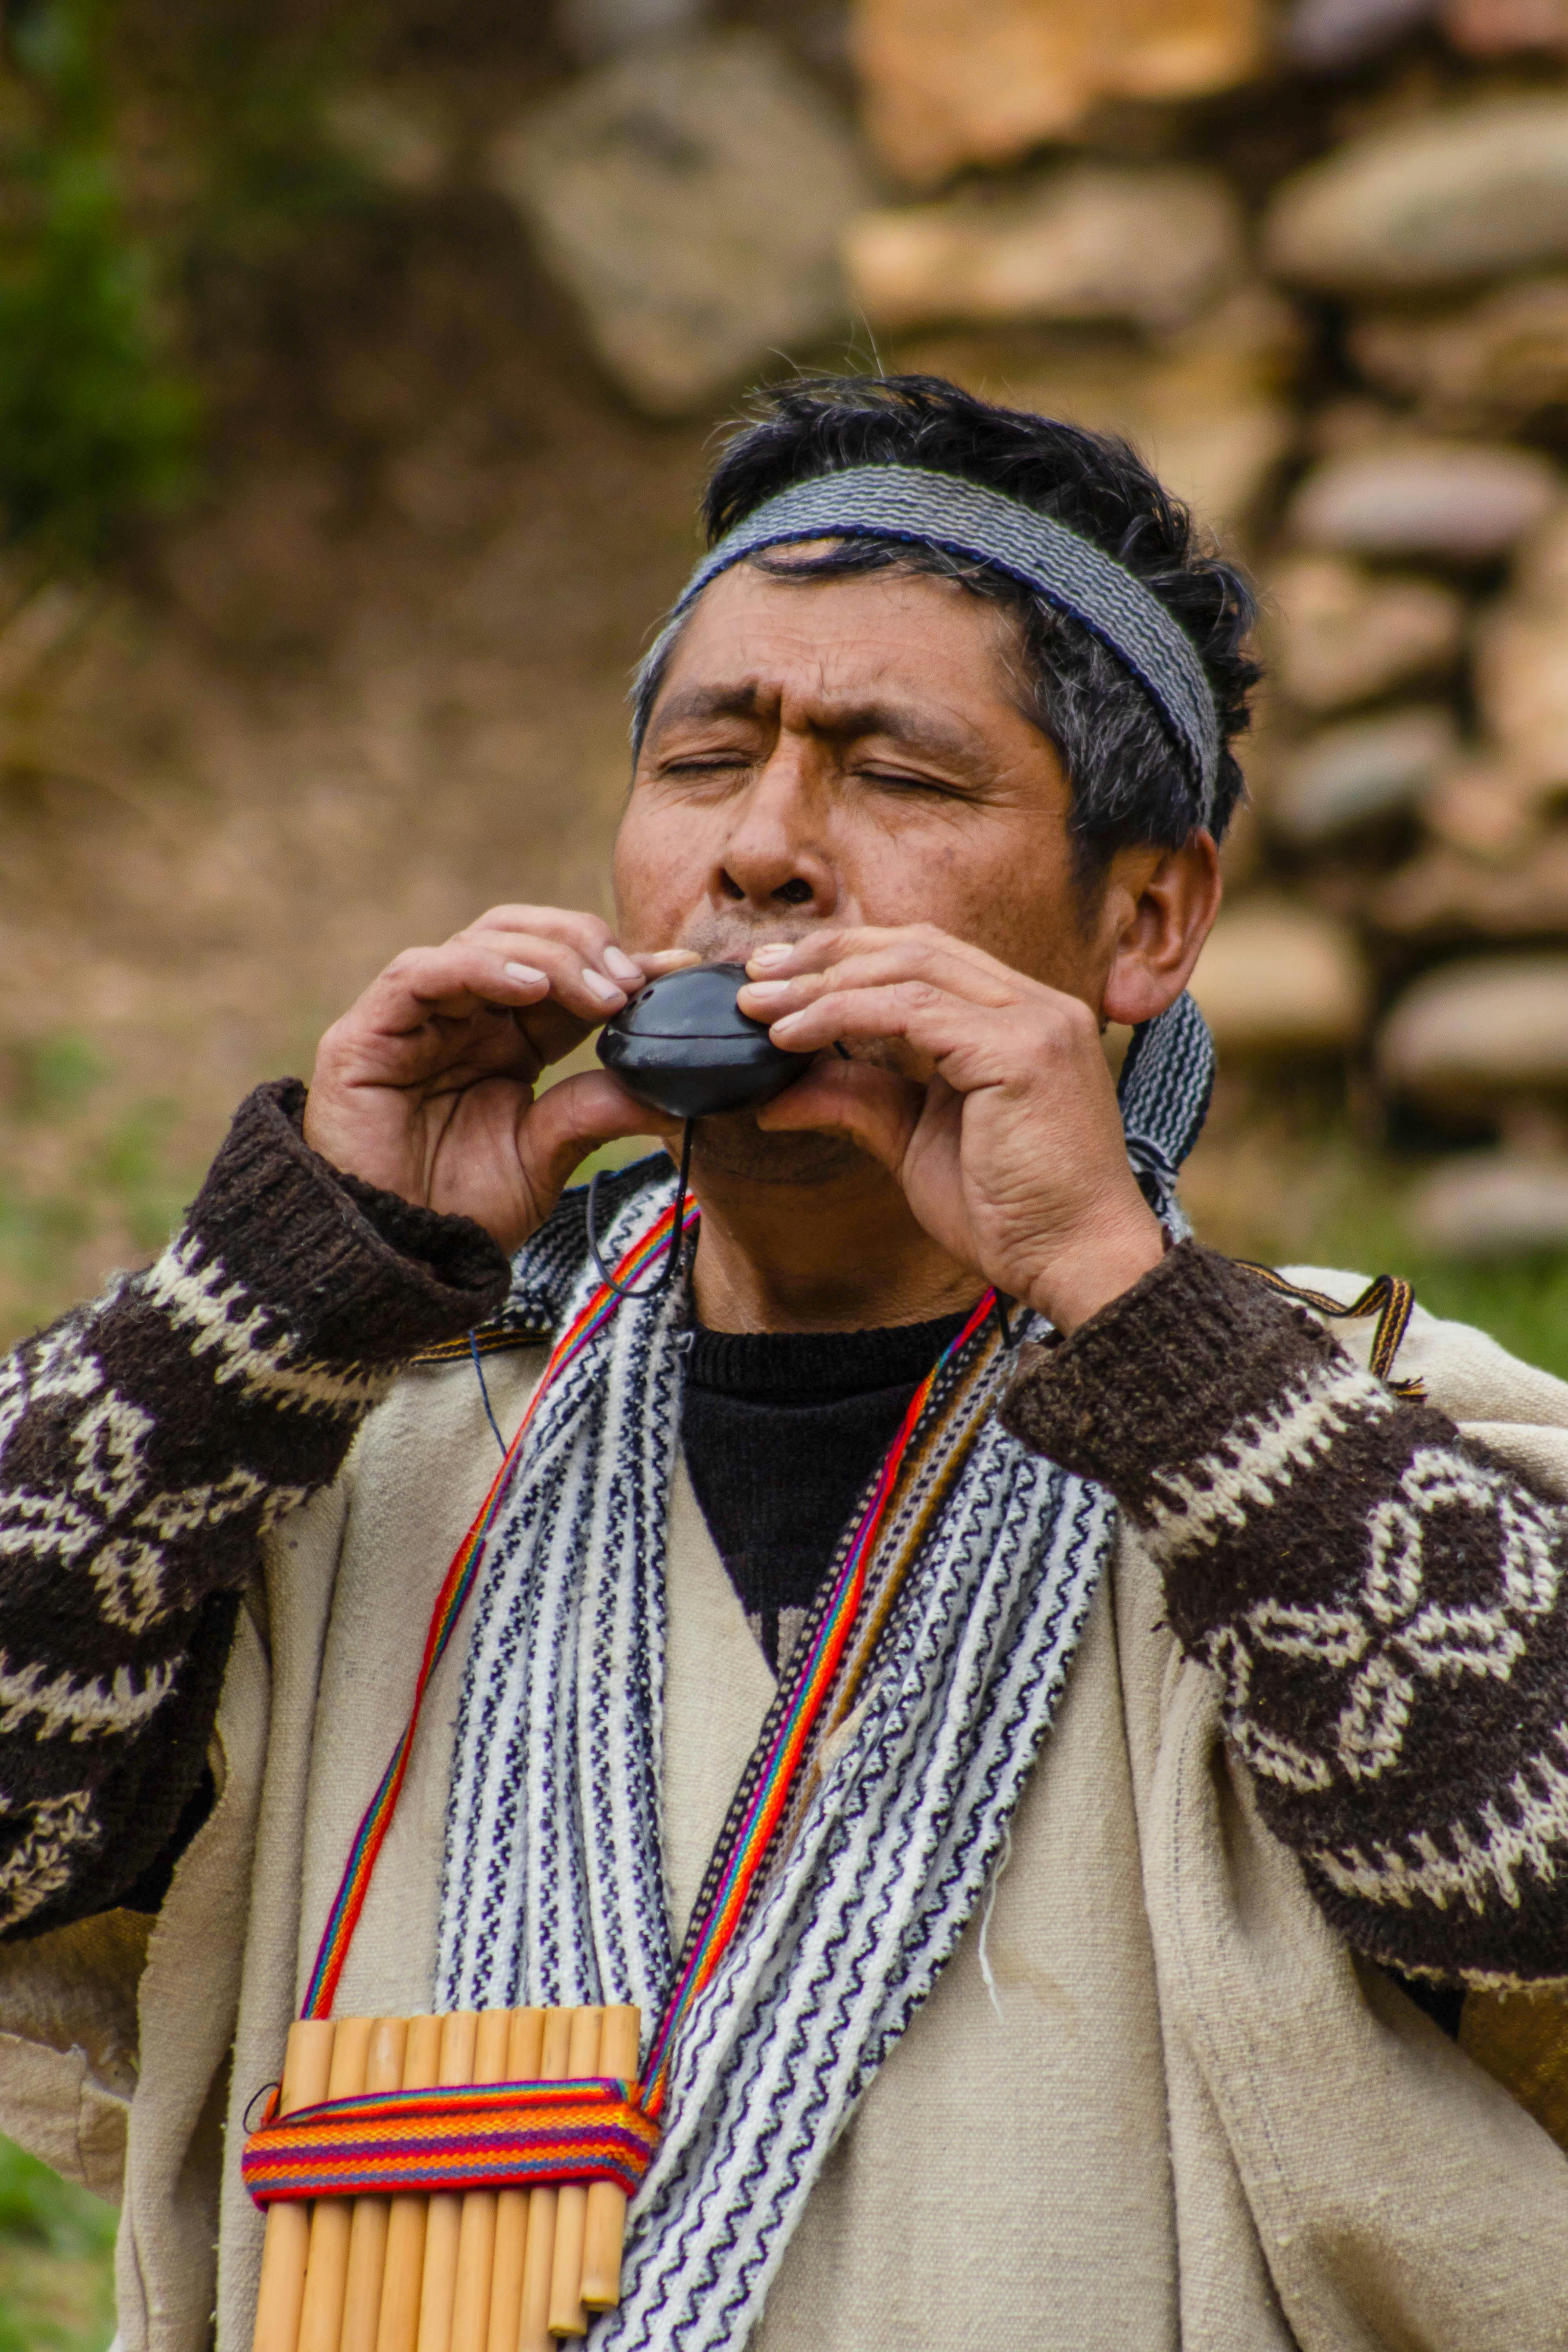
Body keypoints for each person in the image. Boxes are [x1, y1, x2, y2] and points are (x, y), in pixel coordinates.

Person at [0, 373, 1566, 2352]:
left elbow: (1529, 1883)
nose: (761, 851)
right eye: (703, 761)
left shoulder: (1333, 1435)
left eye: (896, 776)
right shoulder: (330, 1455)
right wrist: (277, 1292)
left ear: (1148, 920)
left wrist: (1127, 1300)